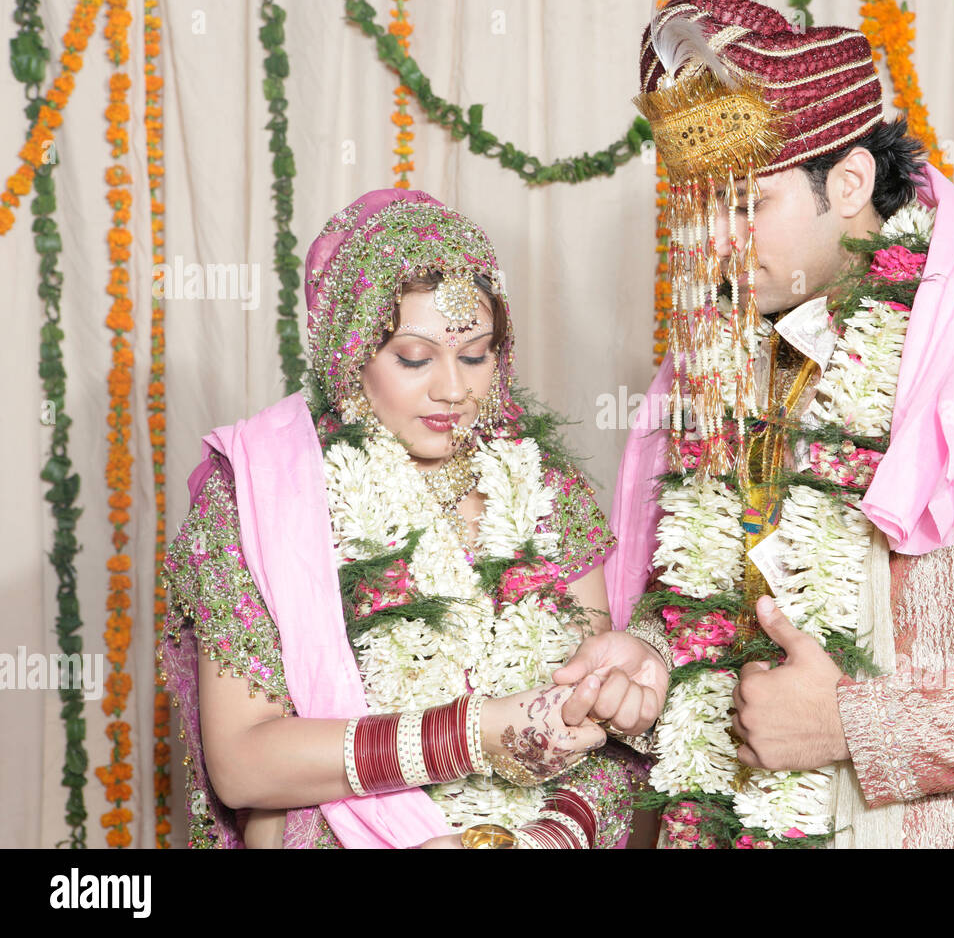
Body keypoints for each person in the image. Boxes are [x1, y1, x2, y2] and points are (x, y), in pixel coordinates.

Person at [579, 0, 954, 847]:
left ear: (851, 181)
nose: (715, 242)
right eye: (700, 209)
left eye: (748, 205)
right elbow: (720, 600)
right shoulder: (716, 378)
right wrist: (650, 654)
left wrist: (859, 726)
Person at [161, 189, 651, 849]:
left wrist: (545, 839)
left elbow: (602, 724)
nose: (453, 389)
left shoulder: (547, 492)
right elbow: (245, 765)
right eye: (415, 358)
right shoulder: (264, 495)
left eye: (475, 354)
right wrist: (473, 735)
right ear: (349, 353)